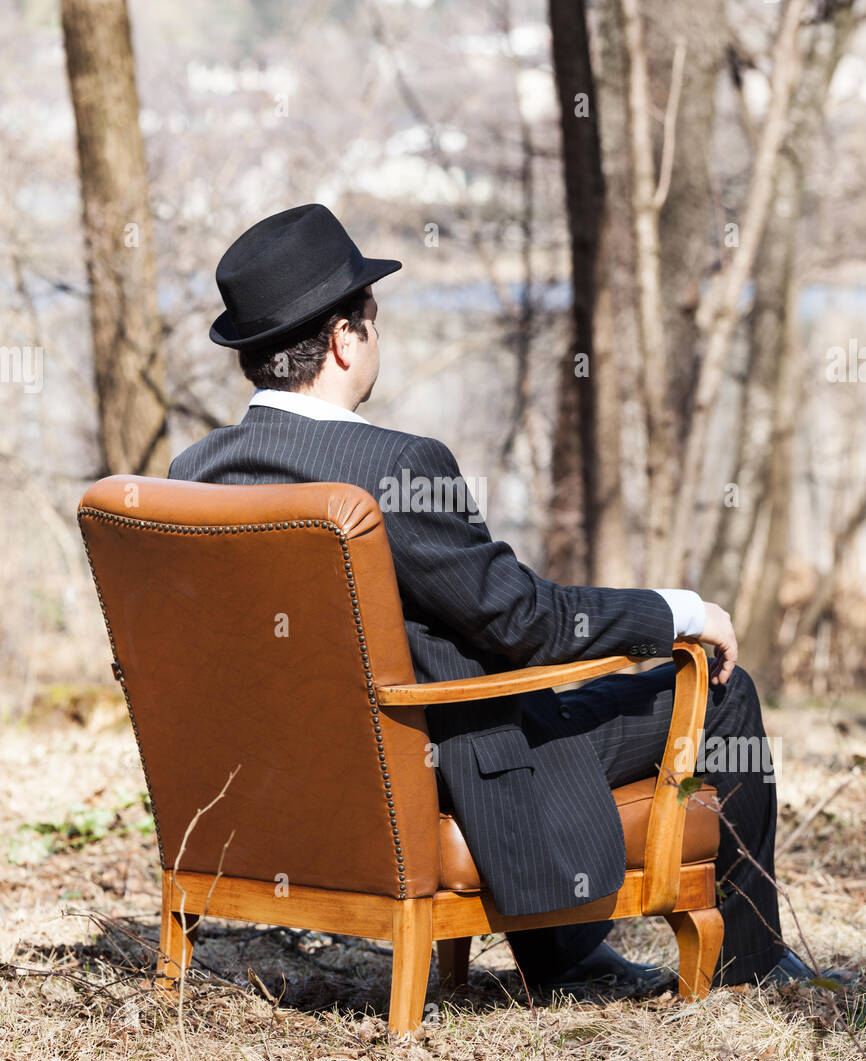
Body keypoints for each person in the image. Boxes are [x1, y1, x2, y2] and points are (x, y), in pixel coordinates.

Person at [168, 204, 816, 996]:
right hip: (429, 766)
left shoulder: (191, 475)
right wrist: (681, 611)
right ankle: (750, 970)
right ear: (343, 338)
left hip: (285, 785)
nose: (376, 336)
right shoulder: (394, 467)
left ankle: (569, 956)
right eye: (372, 318)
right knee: (723, 690)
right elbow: (525, 623)